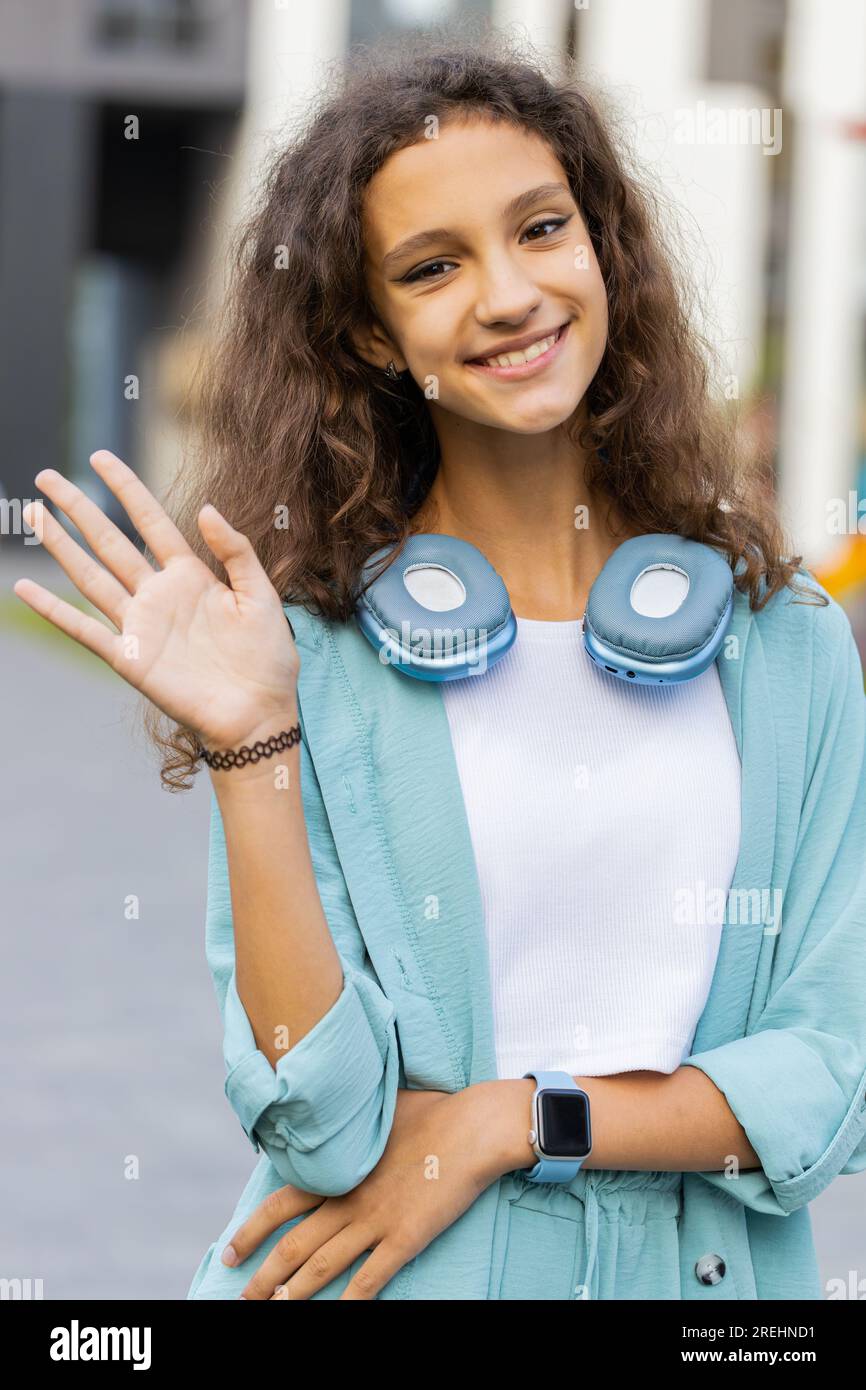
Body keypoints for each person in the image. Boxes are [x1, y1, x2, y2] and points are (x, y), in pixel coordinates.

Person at [15, 29, 866, 1302]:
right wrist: (252, 746)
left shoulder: (784, 639)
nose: (511, 295)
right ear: (368, 335)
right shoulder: (316, 658)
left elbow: (830, 1071)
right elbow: (323, 1125)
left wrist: (511, 1119)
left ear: (601, 252)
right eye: (432, 266)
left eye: (539, 230)